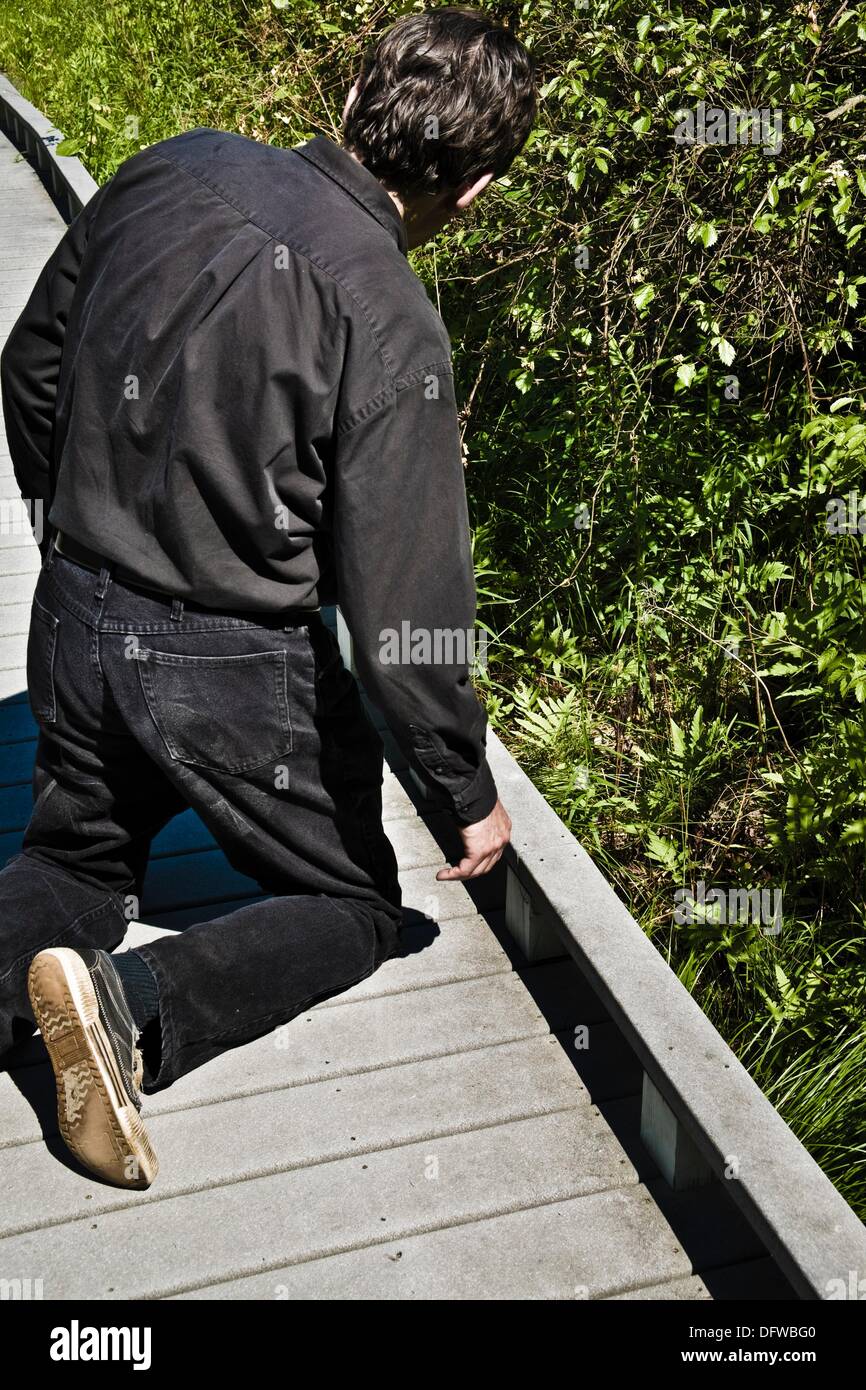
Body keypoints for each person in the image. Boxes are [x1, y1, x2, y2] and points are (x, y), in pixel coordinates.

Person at [0, 6, 534, 1188]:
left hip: (76, 616)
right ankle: (129, 1014)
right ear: (480, 185)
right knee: (350, 906)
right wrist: (464, 796)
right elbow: (406, 619)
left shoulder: (171, 166)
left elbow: (29, 366)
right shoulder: (390, 319)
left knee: (76, 860)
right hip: (227, 673)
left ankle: (39, 975)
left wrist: (73, 513)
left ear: (351, 99)